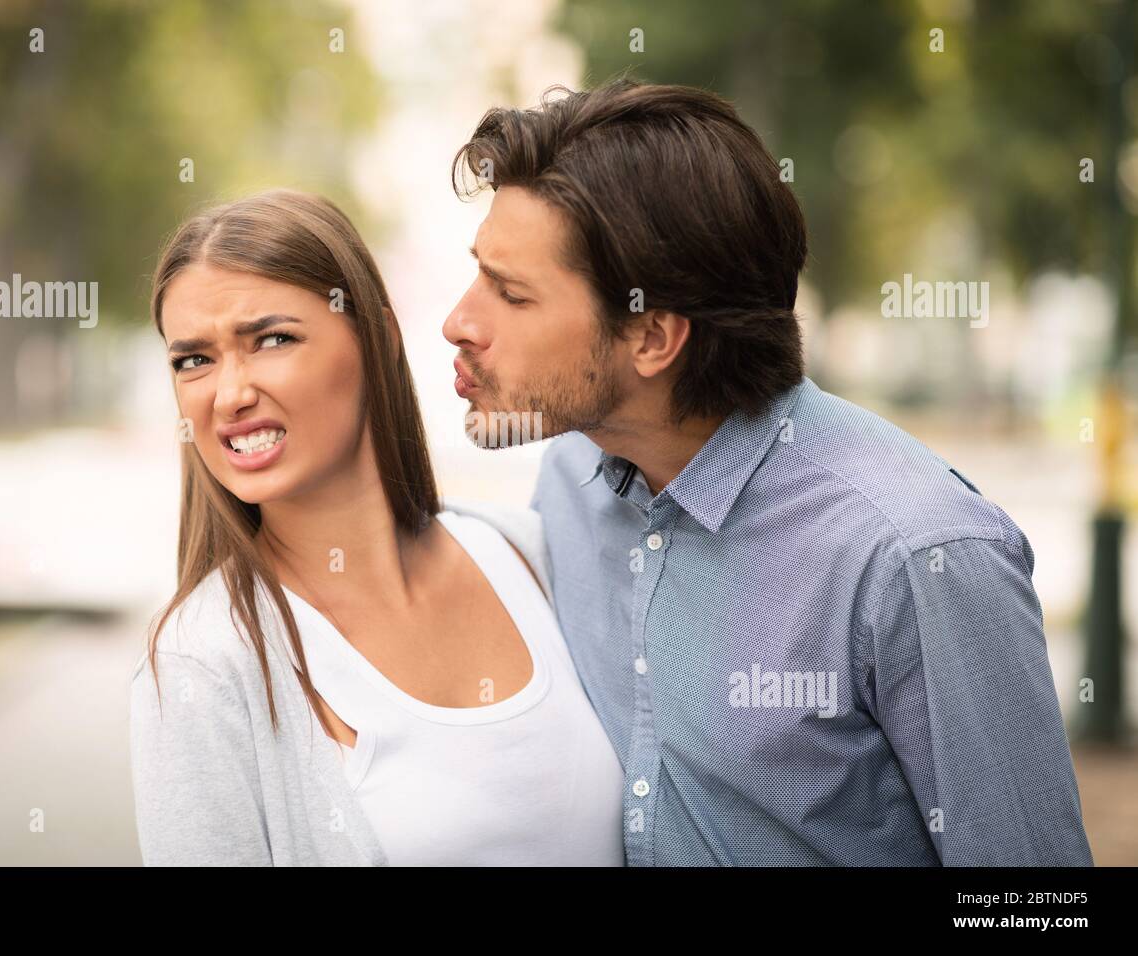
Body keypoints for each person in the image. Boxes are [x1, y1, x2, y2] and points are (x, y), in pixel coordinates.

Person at [442, 78, 1094, 866]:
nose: (459, 322)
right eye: (480, 272)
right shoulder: (571, 475)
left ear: (652, 337)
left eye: (510, 294)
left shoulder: (915, 557)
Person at [129, 189, 624, 865]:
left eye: (272, 339)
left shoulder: (528, 552)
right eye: (194, 360)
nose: (230, 393)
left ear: (379, 339)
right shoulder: (202, 662)